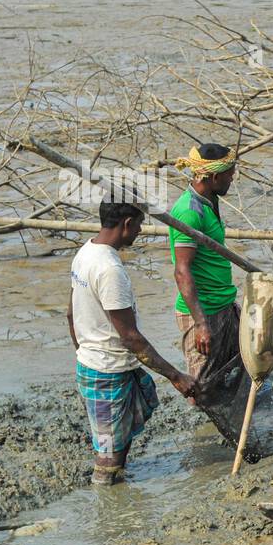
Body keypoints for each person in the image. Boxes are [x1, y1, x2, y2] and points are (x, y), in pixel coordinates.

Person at [68, 194, 195, 485]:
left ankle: (119, 484)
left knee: (121, 430)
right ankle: (108, 507)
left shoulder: (85, 252)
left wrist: (84, 350)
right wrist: (176, 376)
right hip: (106, 370)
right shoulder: (110, 270)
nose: (140, 231)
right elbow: (130, 337)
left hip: (98, 363)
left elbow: (69, 313)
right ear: (126, 223)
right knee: (108, 452)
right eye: (139, 224)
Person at [168, 143, 240, 397]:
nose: (232, 178)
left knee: (232, 370)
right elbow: (182, 271)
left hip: (223, 303)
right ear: (214, 177)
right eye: (230, 174)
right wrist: (200, 324)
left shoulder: (210, 201)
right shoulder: (189, 213)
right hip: (204, 312)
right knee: (202, 387)